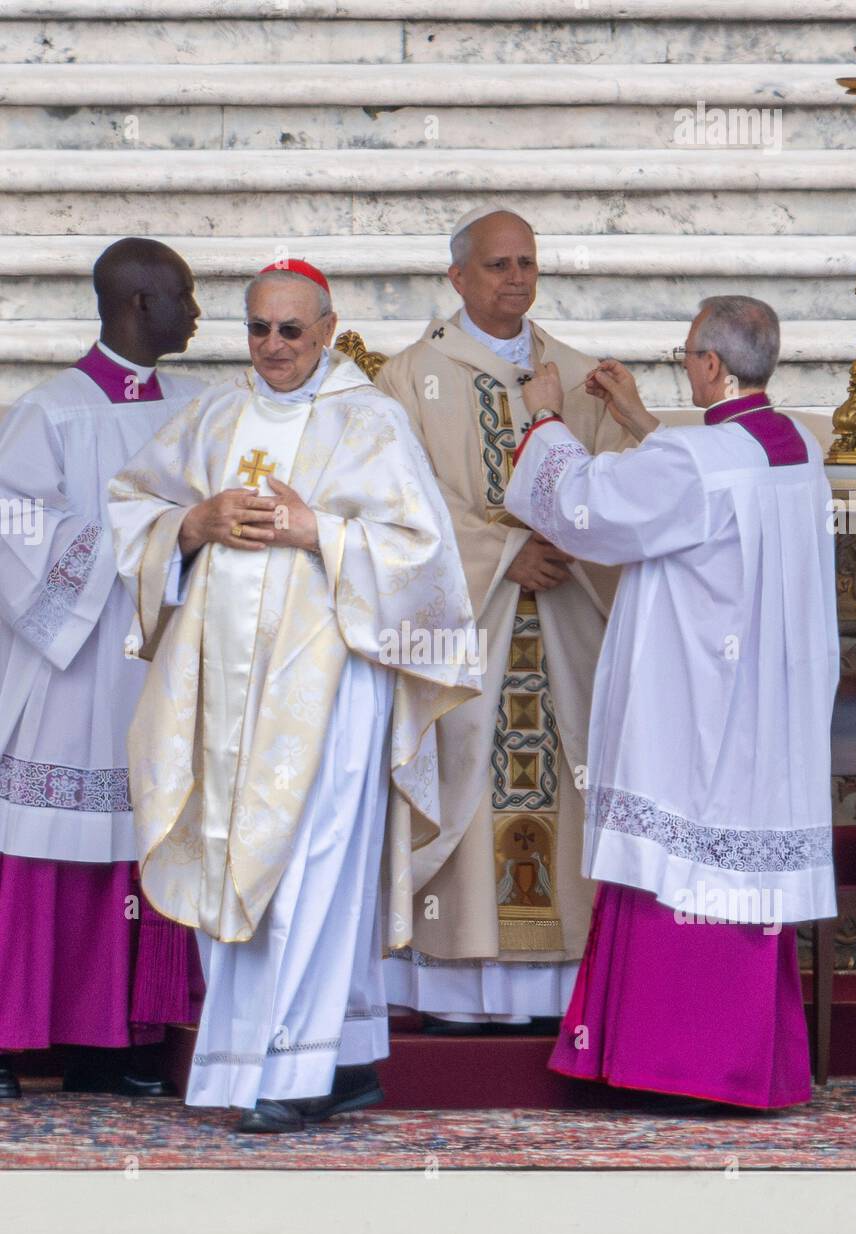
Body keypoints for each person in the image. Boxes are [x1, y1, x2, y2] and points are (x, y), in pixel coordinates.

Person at [108, 259, 480, 1134]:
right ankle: (338, 1058)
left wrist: (324, 533)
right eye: (258, 329)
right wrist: (192, 526)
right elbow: (132, 508)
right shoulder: (213, 418)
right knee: (231, 853)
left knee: (315, 866)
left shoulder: (371, 424)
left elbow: (426, 559)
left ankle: (295, 1066)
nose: (273, 347)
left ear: (327, 329)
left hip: (331, 685)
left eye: (291, 330)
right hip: (219, 691)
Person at [505, 294, 837, 1109]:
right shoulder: (796, 445)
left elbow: (587, 507)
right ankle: (748, 1066)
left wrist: (544, 422)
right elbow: (708, 494)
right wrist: (643, 420)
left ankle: (672, 1067)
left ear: (713, 365)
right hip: (767, 708)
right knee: (734, 879)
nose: (686, 363)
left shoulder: (696, 463)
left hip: (694, 707)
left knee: (678, 872)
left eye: (689, 353)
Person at [376, 204, 633, 1030]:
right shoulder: (409, 377)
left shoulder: (585, 373)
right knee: (467, 782)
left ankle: (556, 989)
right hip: (468, 631)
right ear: (457, 276)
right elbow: (398, 505)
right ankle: (454, 987)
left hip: (563, 625)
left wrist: (565, 541)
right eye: (497, 265)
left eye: (526, 262)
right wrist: (499, 555)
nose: (516, 277)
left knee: (566, 780)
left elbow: (621, 494)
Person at [0, 237, 205, 1102]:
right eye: (185, 296)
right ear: (138, 306)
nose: (199, 313)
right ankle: (11, 1042)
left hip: (159, 662)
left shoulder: (202, 407)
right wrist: (164, 537)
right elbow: (18, 534)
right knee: (45, 851)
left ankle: (106, 1041)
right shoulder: (48, 413)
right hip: (70, 672)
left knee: (134, 846)